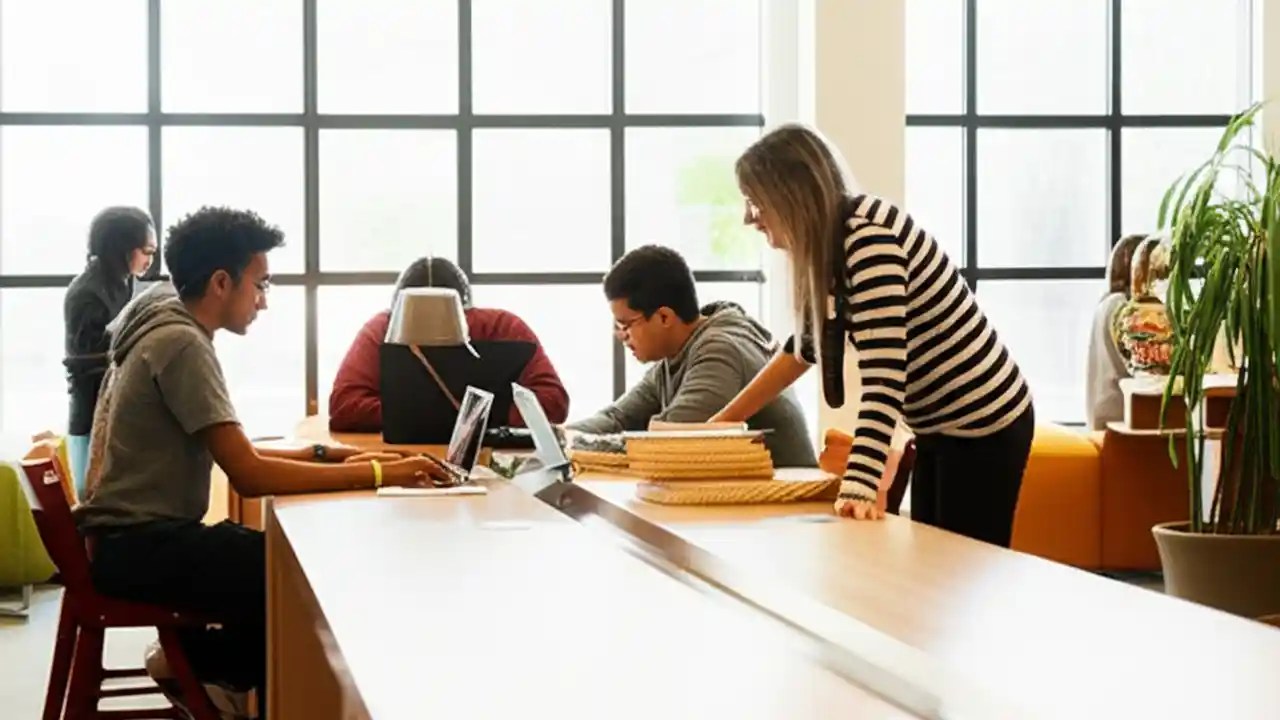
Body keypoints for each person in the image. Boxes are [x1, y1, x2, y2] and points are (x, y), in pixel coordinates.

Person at [73, 206, 447, 712]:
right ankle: (204, 673)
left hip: (129, 540)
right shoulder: (181, 343)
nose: (264, 303)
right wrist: (380, 472)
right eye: (261, 285)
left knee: (269, 557)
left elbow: (237, 451)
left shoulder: (168, 325)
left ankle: (210, 672)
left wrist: (327, 457)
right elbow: (247, 474)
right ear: (222, 283)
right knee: (292, 570)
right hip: (141, 546)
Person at [713, 123, 1035, 548]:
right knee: (935, 564)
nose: (749, 218)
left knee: (963, 565)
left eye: (756, 202)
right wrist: (725, 421)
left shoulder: (869, 238)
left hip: (984, 423)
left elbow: (885, 377)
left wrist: (860, 483)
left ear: (790, 196)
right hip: (939, 428)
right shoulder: (836, 242)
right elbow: (803, 348)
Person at [569, 245, 816, 468]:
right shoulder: (677, 352)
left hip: (781, 509)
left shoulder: (720, 352)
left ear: (664, 317)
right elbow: (617, 418)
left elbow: (669, 443)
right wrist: (559, 435)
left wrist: (572, 444)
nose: (620, 336)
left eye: (625, 325)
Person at [328, 256, 569, 431]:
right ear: (399, 315)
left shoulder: (501, 326)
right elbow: (344, 407)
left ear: (469, 315)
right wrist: (470, 417)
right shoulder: (382, 328)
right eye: (419, 316)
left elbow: (554, 402)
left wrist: (416, 416)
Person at [62, 206, 157, 498]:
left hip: (118, 410)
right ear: (123, 249)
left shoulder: (123, 283)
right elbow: (82, 363)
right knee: (96, 499)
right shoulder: (86, 293)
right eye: (147, 251)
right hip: (92, 412)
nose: (151, 260)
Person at [1085, 234, 1146, 430]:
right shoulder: (1121, 307)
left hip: (1102, 413)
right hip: (1118, 416)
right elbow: (1136, 364)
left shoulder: (1107, 303)